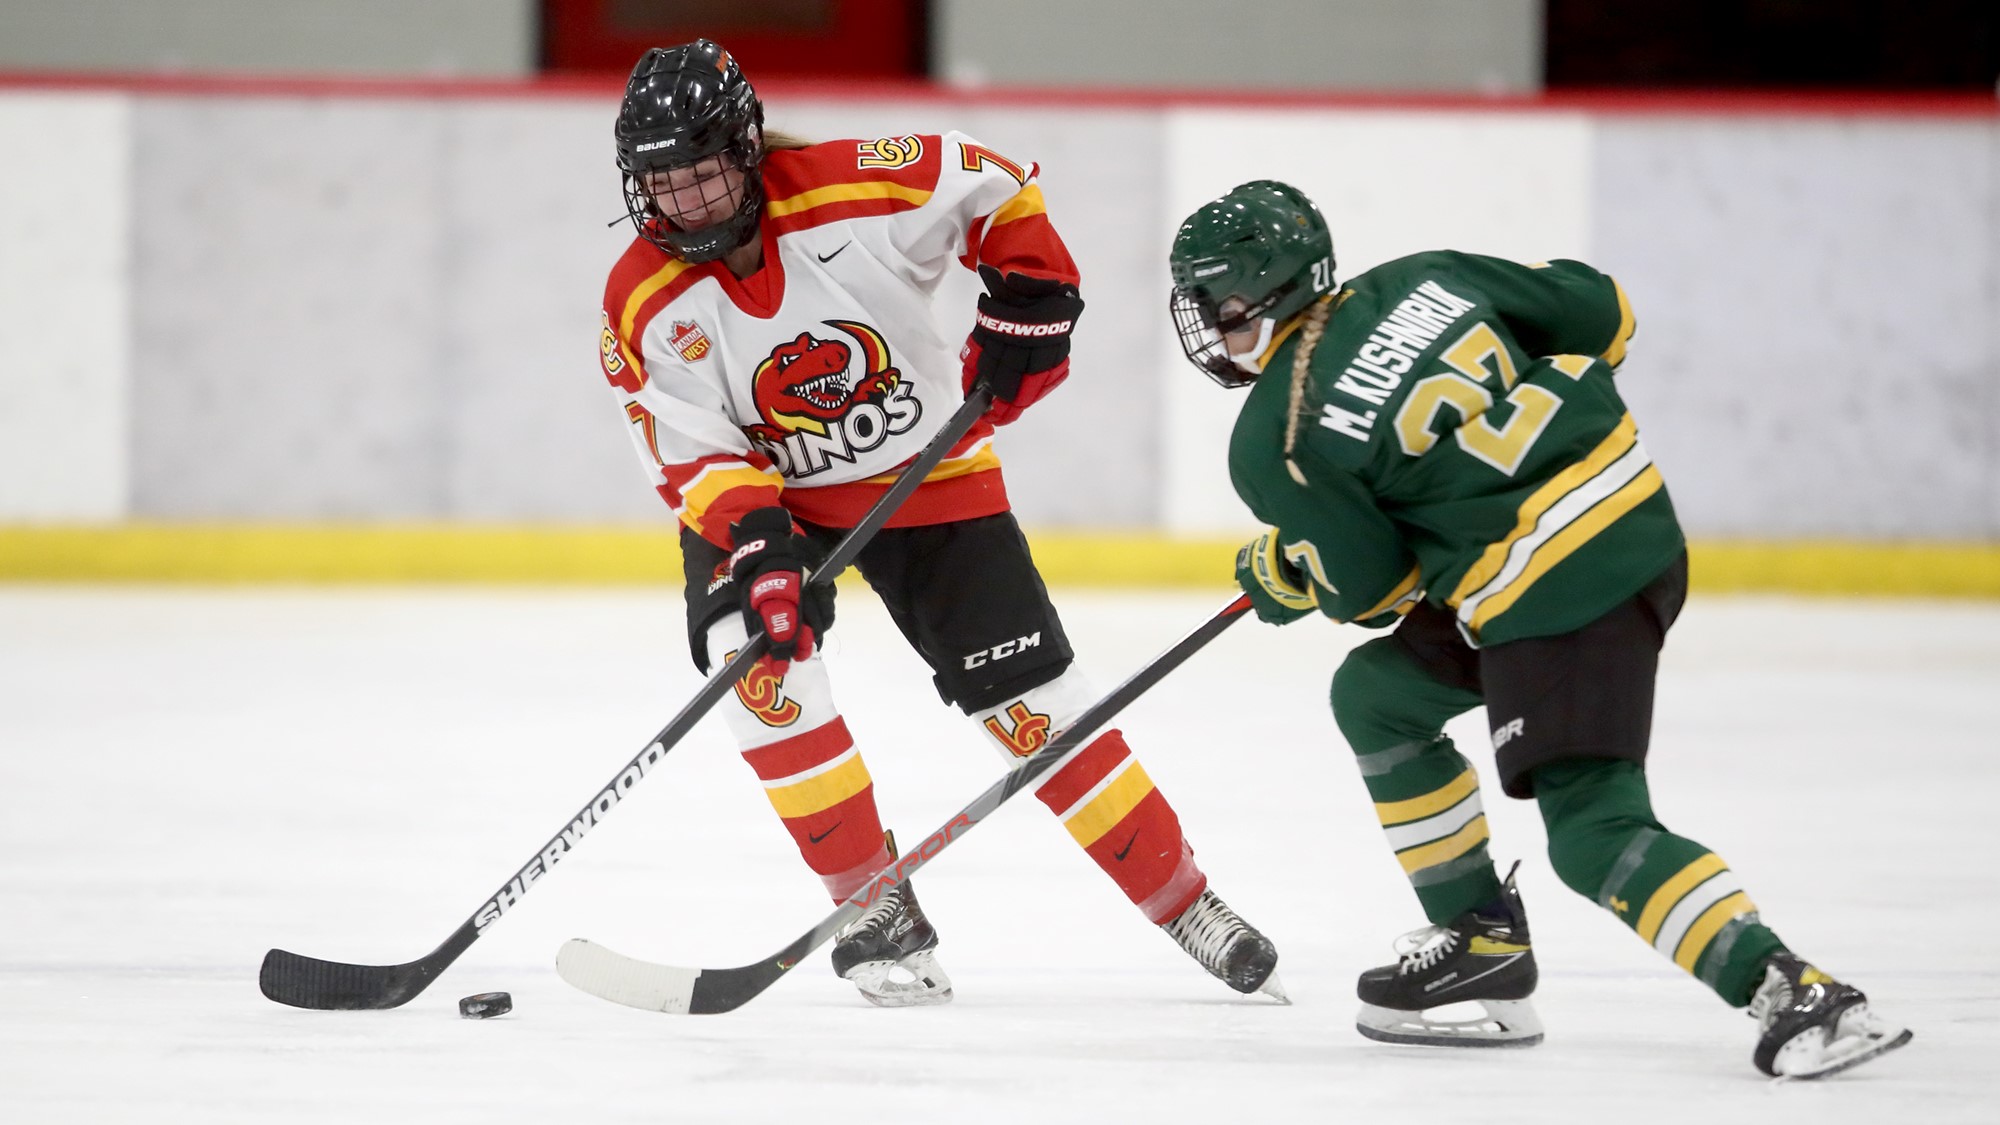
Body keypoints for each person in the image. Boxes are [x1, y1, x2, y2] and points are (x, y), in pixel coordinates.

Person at [1165, 180, 1912, 1078]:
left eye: (1213, 298)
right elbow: (1608, 314)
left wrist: (1290, 573)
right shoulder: (1424, 278)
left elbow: (1379, 588)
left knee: (1593, 828)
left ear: (1261, 290)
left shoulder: (1274, 439)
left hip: (1552, 596)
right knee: (1377, 696)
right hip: (1634, 528)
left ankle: (1795, 989)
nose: (1207, 320)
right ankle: (1481, 941)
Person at [594, 40, 1283, 1007]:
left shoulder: (849, 189)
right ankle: (873, 906)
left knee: (1035, 707)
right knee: (757, 671)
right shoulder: (642, 298)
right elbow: (693, 453)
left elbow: (994, 182)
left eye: (704, 173)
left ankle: (1187, 903)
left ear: (746, 149)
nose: (686, 203)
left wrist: (1033, 294)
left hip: (929, 476)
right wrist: (758, 546)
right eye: (661, 185)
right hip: (772, 503)